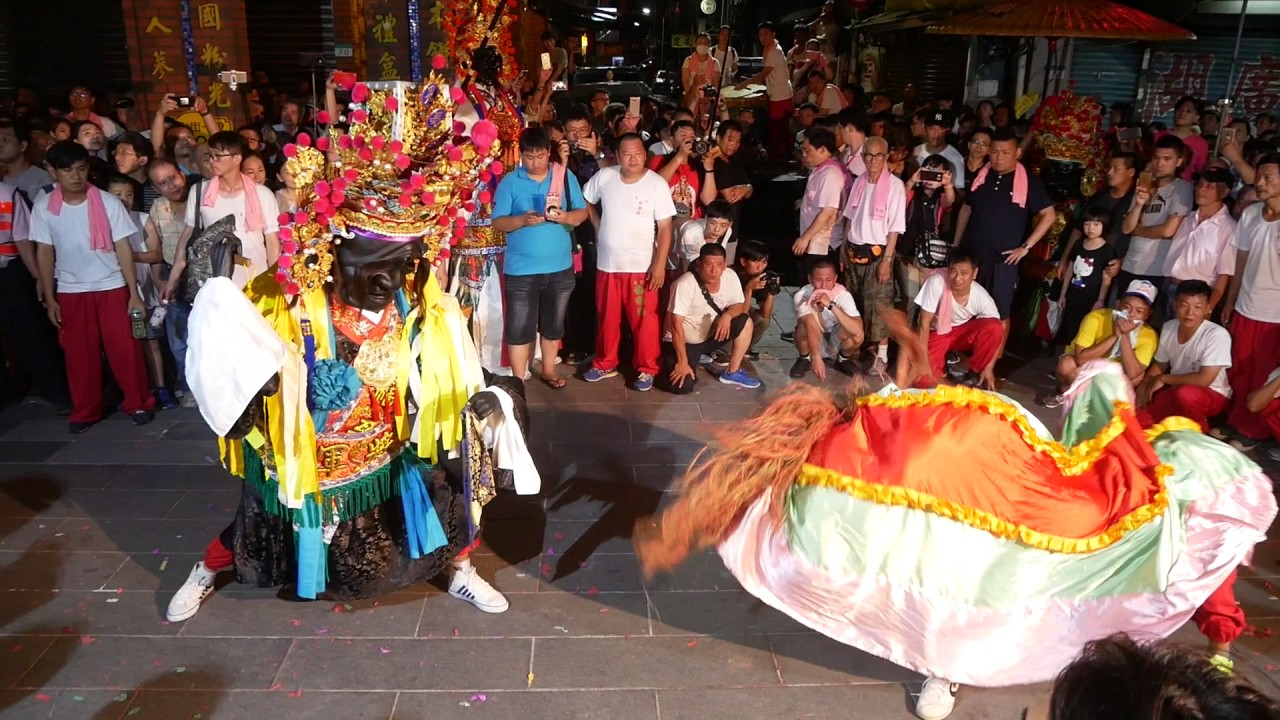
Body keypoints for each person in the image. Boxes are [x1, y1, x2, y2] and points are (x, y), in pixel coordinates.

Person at [636, 343, 1274, 720]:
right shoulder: (1108, 455)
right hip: (1013, 499)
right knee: (964, 569)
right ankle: (943, 668)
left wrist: (1221, 629)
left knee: (975, 570)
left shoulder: (1136, 465)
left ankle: (944, 667)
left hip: (1030, 504)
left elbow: (1108, 412)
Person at [166, 69, 536, 623]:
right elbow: (228, 375)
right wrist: (258, 382)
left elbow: (452, 364)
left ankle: (461, 572)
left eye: (404, 266)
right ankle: (206, 570)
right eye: (376, 267)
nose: (392, 281)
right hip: (306, 450)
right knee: (256, 525)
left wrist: (485, 400)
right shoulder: (283, 298)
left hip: (386, 443)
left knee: (443, 510)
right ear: (336, 253)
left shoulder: (420, 299)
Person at [30, 141, 155, 433]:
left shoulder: (108, 203)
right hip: (71, 289)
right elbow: (45, 252)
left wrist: (133, 293)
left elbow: (123, 247)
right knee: (79, 354)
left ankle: (138, 402)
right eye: (68, 170)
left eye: (82, 169)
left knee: (125, 349)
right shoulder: (45, 206)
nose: (76, 176)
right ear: (53, 172)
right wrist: (50, 297)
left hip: (112, 285)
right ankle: (85, 409)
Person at [490, 127, 590, 389]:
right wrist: (522, 220)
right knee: (519, 326)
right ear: (521, 155)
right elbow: (498, 222)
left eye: (541, 156)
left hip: (559, 266)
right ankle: (517, 378)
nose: (535, 163)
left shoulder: (564, 176)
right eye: (529, 157)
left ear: (549, 153)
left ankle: (548, 369)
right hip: (521, 269)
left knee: (553, 324)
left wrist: (566, 217)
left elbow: (581, 213)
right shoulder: (510, 182)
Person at [582, 133, 677, 391]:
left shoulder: (656, 184)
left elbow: (666, 227)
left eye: (637, 153)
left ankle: (647, 369)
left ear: (645, 155)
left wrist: (659, 264)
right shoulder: (605, 177)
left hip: (641, 267)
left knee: (644, 321)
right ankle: (604, 363)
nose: (632, 158)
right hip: (608, 265)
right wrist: (597, 224)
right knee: (607, 318)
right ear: (617, 155)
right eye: (626, 153)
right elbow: (586, 199)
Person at [953, 127, 1055, 354]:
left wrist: (1025, 247)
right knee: (965, 308)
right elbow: (966, 209)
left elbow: (1049, 215)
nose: (999, 157)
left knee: (1000, 313)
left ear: (1017, 152)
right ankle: (966, 355)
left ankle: (991, 363)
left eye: (1005, 152)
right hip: (973, 256)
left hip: (1004, 261)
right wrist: (957, 245)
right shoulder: (982, 176)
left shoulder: (1028, 181)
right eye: (995, 151)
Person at [166, 132, 281, 296]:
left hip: (255, 278)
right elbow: (187, 236)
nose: (212, 161)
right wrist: (173, 278)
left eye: (218, 156)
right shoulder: (200, 191)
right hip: (214, 281)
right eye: (210, 156)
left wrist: (273, 279)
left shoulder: (262, 194)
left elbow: (271, 240)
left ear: (236, 158)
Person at [1222, 153, 1280, 449]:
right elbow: (1240, 260)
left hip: (1275, 315)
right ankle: (1234, 421)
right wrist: (1230, 301)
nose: (1260, 183)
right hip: (1246, 304)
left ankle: (1253, 432)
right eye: (1259, 176)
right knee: (1239, 369)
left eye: (1269, 177)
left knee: (1263, 374)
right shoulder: (1250, 214)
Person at [840, 135, 905, 375]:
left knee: (880, 305)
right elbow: (849, 218)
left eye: (878, 155)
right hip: (854, 250)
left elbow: (895, 228)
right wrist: (843, 247)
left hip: (878, 254)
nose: (873, 160)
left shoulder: (895, 186)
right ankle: (856, 347)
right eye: (868, 155)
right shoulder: (859, 181)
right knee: (855, 302)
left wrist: (887, 260)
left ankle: (882, 354)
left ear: (886, 157)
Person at [660, 243, 760, 393]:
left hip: (709, 335)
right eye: (708, 264)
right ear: (699, 264)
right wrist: (682, 362)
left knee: (745, 321)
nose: (714, 271)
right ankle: (673, 363)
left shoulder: (730, 276)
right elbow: (675, 325)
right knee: (682, 386)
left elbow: (739, 305)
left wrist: (727, 315)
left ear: (725, 265)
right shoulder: (684, 284)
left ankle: (732, 372)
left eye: (719, 265)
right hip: (683, 341)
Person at [1042, 280, 1158, 408]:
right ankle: (1068, 390)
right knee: (1066, 365)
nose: (1131, 315)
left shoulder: (1149, 335)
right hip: (1086, 367)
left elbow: (1133, 374)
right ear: (1118, 304)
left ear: (1148, 315)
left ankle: (1085, 397)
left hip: (1114, 373)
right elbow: (1081, 359)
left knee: (1137, 377)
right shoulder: (1096, 317)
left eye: (1139, 311)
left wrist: (1124, 336)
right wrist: (1114, 336)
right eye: (1127, 307)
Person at [1136, 280, 1232, 433]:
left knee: (1186, 395)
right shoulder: (1169, 327)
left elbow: (1204, 379)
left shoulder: (1216, 334)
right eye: (1184, 305)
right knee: (1138, 421)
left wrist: (1163, 379)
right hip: (1177, 389)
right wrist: (1144, 385)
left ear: (1208, 308)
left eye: (1197, 307)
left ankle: (1200, 434)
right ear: (1174, 305)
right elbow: (1160, 364)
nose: (1189, 313)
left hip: (1212, 394)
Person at [1117, 134, 1193, 316]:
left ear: (1179, 161)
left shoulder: (1182, 188)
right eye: (1156, 158)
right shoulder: (1145, 183)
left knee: (1146, 320)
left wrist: (1139, 230)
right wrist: (1139, 203)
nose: (1160, 164)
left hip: (1157, 268)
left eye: (1167, 159)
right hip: (1130, 263)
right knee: (1122, 316)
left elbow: (1168, 230)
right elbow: (1127, 228)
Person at [914, 247, 1002, 389]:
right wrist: (923, 362)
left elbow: (996, 333)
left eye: (964, 273)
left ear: (975, 273)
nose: (957, 278)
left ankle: (973, 373)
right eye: (953, 271)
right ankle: (943, 367)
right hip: (937, 334)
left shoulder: (981, 296)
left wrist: (988, 367)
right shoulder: (936, 282)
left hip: (962, 334)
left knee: (995, 327)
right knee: (924, 382)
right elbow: (923, 324)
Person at [1162, 166, 1236, 315]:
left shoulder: (1229, 227)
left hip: (1196, 296)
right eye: (1200, 184)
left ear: (1224, 192)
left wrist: (1209, 306)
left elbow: (1224, 274)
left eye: (1209, 186)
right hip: (1170, 286)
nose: (1201, 189)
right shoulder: (1187, 218)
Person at [898, 155, 956, 328]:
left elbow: (950, 201)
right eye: (928, 172)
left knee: (927, 299)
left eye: (937, 174)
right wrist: (912, 180)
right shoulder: (913, 193)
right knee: (909, 297)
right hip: (906, 253)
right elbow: (898, 197)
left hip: (930, 258)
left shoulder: (941, 197)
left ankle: (922, 334)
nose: (931, 178)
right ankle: (906, 338)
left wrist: (947, 185)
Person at [789, 257, 863, 380]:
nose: (823, 285)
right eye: (818, 280)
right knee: (802, 328)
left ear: (835, 279)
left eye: (828, 280)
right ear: (810, 279)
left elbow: (857, 329)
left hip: (834, 338)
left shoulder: (843, 295)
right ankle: (804, 358)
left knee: (857, 334)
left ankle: (843, 359)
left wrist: (831, 305)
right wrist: (816, 357)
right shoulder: (802, 295)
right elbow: (810, 323)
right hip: (814, 339)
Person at [1054, 207, 1118, 347]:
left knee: (1086, 330)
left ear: (1104, 226)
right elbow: (1070, 269)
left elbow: (1106, 278)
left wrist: (1100, 301)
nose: (1091, 228)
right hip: (1073, 295)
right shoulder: (1078, 245)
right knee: (1069, 328)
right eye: (1087, 224)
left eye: (1096, 224)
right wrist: (1063, 294)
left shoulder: (1107, 251)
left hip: (1091, 298)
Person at [735, 22, 793, 161]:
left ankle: (778, 157)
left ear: (773, 34)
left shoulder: (773, 50)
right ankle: (777, 155)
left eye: (766, 34)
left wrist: (745, 83)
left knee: (778, 127)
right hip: (777, 93)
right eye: (761, 35)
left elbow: (764, 73)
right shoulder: (769, 48)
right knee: (776, 127)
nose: (763, 37)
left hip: (781, 95)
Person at [794, 127, 848, 263]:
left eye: (807, 150)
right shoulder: (819, 169)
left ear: (822, 150)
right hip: (814, 244)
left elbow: (828, 211)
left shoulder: (830, 174)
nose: (804, 155)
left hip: (823, 245)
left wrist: (805, 238)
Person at [731, 241, 776, 359]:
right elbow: (742, 314)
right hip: (725, 312)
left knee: (763, 320)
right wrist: (749, 289)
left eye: (764, 262)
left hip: (740, 310)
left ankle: (744, 348)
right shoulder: (732, 275)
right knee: (744, 320)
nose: (760, 267)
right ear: (743, 262)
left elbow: (766, 314)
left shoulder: (760, 277)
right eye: (756, 261)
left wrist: (771, 292)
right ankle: (725, 350)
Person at [672, 199, 734, 272]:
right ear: (706, 218)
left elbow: (718, 254)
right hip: (674, 259)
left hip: (697, 261)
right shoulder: (691, 232)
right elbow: (683, 262)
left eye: (723, 225)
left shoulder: (728, 231)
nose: (717, 229)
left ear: (730, 224)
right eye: (713, 223)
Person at [681, 33, 721, 113]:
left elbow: (716, 85)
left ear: (709, 45)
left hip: (708, 101)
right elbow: (685, 81)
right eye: (699, 43)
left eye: (705, 43)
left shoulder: (715, 63)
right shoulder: (688, 60)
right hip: (690, 98)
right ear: (695, 45)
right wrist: (692, 96)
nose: (702, 45)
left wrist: (707, 99)